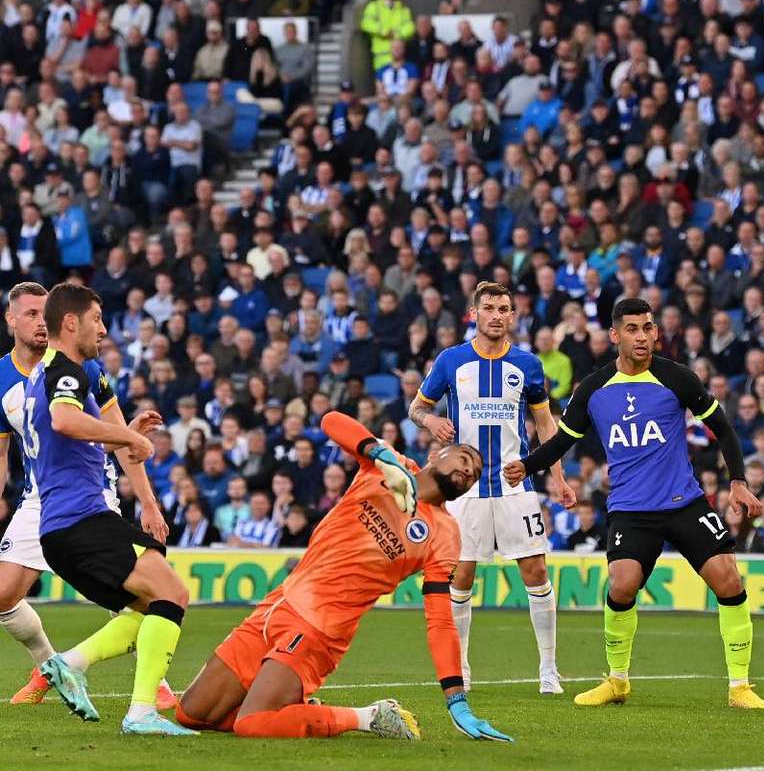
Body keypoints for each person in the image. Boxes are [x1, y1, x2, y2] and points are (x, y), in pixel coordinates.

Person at [175, 411, 512, 743]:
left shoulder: (445, 534)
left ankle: (369, 716)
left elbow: (440, 621)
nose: (470, 470)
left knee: (254, 724)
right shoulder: (383, 464)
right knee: (190, 715)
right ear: (437, 454)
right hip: (278, 604)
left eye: (476, 474)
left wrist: (457, 700)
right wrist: (382, 458)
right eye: (466, 458)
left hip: (319, 629)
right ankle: (298, 708)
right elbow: (330, 420)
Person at [504, 297, 764, 709]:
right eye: (632, 329)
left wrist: (737, 481)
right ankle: (617, 681)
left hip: (684, 503)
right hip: (631, 509)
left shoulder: (677, 378)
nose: (643, 336)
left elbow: (723, 428)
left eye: (648, 327)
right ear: (615, 335)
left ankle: (740, 687)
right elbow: (562, 440)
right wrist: (527, 465)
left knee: (728, 580)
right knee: (622, 585)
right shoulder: (593, 389)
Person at [26, 283, 194, 735]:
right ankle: (142, 713)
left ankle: (68, 664)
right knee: (173, 593)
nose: (103, 330)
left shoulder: (44, 375)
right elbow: (63, 420)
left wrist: (119, 432)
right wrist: (132, 438)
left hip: (64, 529)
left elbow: (66, 441)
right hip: (81, 521)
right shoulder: (69, 370)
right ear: (70, 323)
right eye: (97, 320)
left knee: (147, 605)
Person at [409, 282, 566, 694]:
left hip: (516, 484)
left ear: (513, 316)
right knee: (461, 577)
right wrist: (430, 422)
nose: (497, 315)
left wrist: (557, 474)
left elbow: (546, 424)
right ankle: (460, 669)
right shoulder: (451, 360)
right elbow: (416, 407)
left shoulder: (528, 365)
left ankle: (549, 670)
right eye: (490, 308)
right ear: (474, 314)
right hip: (464, 491)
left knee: (536, 572)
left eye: (505, 308)